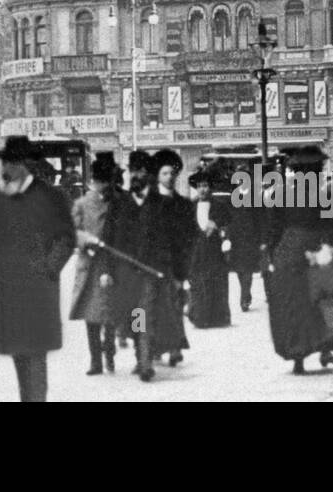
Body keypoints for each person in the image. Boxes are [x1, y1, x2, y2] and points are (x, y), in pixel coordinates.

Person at [0, 136, 76, 401]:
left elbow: (66, 238)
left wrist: (49, 269)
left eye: (12, 162)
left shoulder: (51, 196)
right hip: (6, 288)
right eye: (4, 162)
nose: (5, 168)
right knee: (19, 351)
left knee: (35, 352)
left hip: (38, 289)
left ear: (25, 164)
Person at [267, 145, 333, 375]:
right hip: (316, 249)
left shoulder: (282, 193)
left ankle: (297, 354)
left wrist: (271, 255)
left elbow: (273, 229)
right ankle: (326, 346)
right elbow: (332, 228)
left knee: (292, 303)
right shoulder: (326, 194)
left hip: (288, 251)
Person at [69, 152, 140, 375]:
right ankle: (95, 360)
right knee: (90, 315)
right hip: (89, 265)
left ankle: (109, 350)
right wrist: (86, 241)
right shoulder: (81, 204)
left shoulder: (117, 202)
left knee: (108, 311)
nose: (103, 187)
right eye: (100, 183)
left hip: (110, 262)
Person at [127, 149, 192, 380]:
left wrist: (181, 273)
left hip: (167, 269)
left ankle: (171, 349)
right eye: (165, 172)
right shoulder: (140, 202)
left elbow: (184, 242)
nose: (170, 177)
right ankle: (142, 359)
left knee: (169, 312)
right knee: (139, 315)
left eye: (172, 173)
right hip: (139, 269)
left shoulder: (181, 205)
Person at [186, 168, 231, 329]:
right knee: (198, 283)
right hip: (196, 251)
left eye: (205, 186)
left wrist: (218, 225)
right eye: (199, 186)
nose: (202, 189)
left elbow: (228, 221)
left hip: (214, 250)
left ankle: (218, 318)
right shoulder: (190, 206)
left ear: (209, 187)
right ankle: (200, 317)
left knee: (216, 282)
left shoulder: (219, 205)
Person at [226, 155, 264, 311]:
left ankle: (245, 297)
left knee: (247, 269)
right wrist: (227, 236)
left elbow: (261, 219)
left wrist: (262, 240)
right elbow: (227, 218)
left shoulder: (255, 197)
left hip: (250, 239)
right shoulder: (232, 197)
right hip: (236, 239)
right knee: (240, 270)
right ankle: (245, 293)